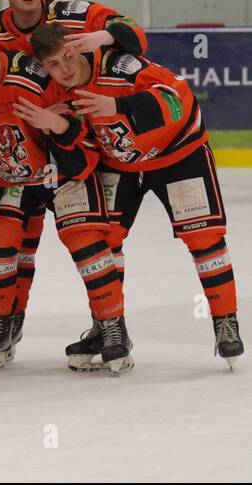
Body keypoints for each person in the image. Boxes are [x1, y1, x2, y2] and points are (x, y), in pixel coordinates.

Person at [29, 22, 243, 369]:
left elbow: (178, 99)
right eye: (54, 64)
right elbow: (82, 158)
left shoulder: (119, 66)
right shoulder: (57, 95)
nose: (65, 69)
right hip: (124, 166)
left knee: (204, 238)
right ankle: (111, 328)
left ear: (79, 49)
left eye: (68, 57)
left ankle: (225, 322)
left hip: (179, 155)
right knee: (104, 239)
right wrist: (62, 131)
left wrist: (119, 106)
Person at [0, 7, 120, 373]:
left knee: (86, 243)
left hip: (61, 172)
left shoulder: (30, 71)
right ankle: (0, 325)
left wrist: (58, 124)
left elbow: (78, 118)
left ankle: (112, 327)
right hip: (12, 177)